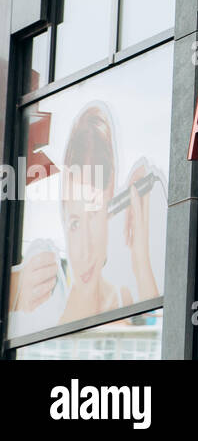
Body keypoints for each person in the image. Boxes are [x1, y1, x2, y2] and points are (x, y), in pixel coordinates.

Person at [6, 103, 158, 324]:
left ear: (111, 209)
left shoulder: (125, 299)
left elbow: (168, 332)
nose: (85, 252)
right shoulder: (45, 296)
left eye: (95, 216)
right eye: (74, 223)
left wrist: (141, 260)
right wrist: (14, 293)